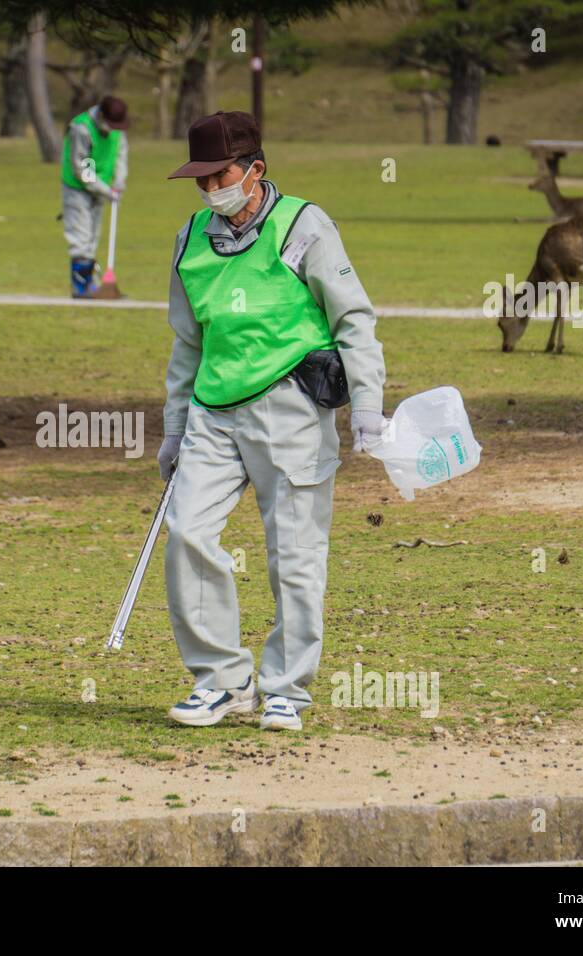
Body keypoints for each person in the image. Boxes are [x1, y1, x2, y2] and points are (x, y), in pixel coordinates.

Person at [157, 111, 387, 731]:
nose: (211, 190)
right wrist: (174, 428)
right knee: (187, 533)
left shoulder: (303, 226)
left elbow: (353, 320)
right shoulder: (189, 240)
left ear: (255, 169)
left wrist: (367, 405)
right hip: (212, 412)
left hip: (290, 407)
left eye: (221, 175)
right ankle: (222, 682)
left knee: (294, 553)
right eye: (200, 181)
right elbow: (187, 343)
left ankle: (287, 686)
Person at [60, 95, 129, 298]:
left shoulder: (116, 128)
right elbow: (83, 169)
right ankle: (81, 286)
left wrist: (119, 182)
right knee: (80, 236)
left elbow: (120, 155)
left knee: (93, 237)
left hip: (103, 185)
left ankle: (92, 282)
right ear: (100, 116)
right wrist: (106, 191)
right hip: (77, 188)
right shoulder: (81, 129)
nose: (113, 129)